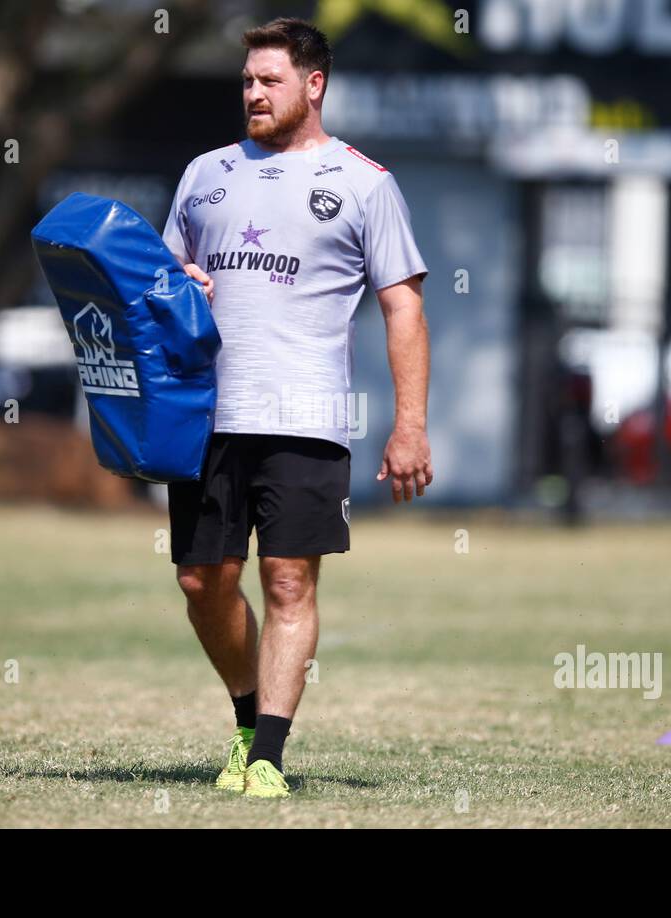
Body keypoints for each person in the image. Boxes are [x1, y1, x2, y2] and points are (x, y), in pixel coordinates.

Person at [162, 17, 432, 798]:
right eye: (246, 80)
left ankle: (269, 757)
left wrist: (408, 426)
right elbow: (159, 279)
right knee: (201, 583)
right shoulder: (204, 173)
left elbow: (404, 309)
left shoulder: (364, 183)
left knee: (288, 582)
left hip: (307, 417)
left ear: (313, 85)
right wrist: (180, 281)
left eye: (269, 80)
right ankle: (248, 719)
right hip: (207, 417)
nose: (252, 92)